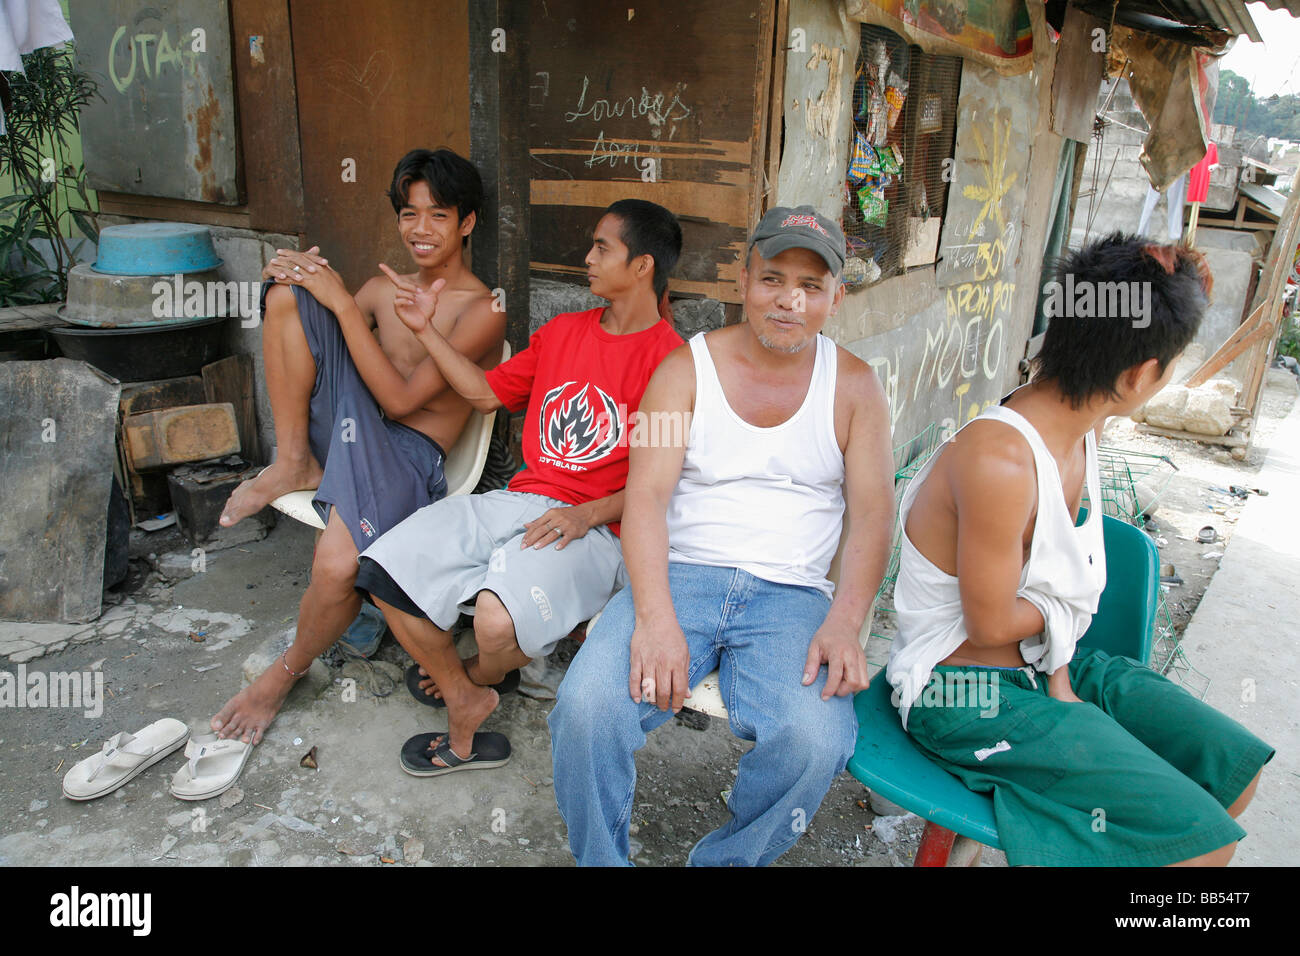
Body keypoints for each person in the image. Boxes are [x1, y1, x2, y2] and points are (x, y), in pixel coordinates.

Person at [888, 233, 1274, 866]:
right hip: (966, 691)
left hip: (1048, 660)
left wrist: (1063, 662)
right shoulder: (1002, 460)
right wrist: (1066, 611)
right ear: (1139, 375)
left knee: (1229, 770)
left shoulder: (1082, 426)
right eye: (1169, 364)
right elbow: (988, 627)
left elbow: (1050, 605)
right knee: (1203, 851)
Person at [548, 205, 896, 866]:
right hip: (679, 574)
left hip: (791, 595)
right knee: (587, 709)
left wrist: (847, 620)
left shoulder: (855, 387)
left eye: (811, 286)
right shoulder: (682, 370)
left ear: (835, 298)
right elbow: (646, 494)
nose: (789, 300)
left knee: (816, 738)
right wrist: (653, 619)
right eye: (773, 279)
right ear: (744, 279)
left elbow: (875, 512)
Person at [353, 199, 685, 775]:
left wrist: (588, 514)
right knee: (383, 565)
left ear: (642, 266)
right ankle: (467, 693)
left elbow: (668, 484)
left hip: (597, 527)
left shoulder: (673, 363)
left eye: (602, 247)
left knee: (493, 620)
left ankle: (483, 673)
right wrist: (425, 330)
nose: (587, 258)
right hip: (518, 500)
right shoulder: (562, 333)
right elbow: (484, 394)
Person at [210, 148, 505, 744]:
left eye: (438, 216)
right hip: (351, 428)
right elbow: (332, 340)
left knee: (340, 564)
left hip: (407, 452)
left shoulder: (482, 310)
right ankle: (294, 457)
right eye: (409, 214)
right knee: (288, 296)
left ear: (467, 223)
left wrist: (343, 301)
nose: (420, 230)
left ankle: (281, 676)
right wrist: (298, 274)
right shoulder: (380, 288)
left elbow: (400, 403)